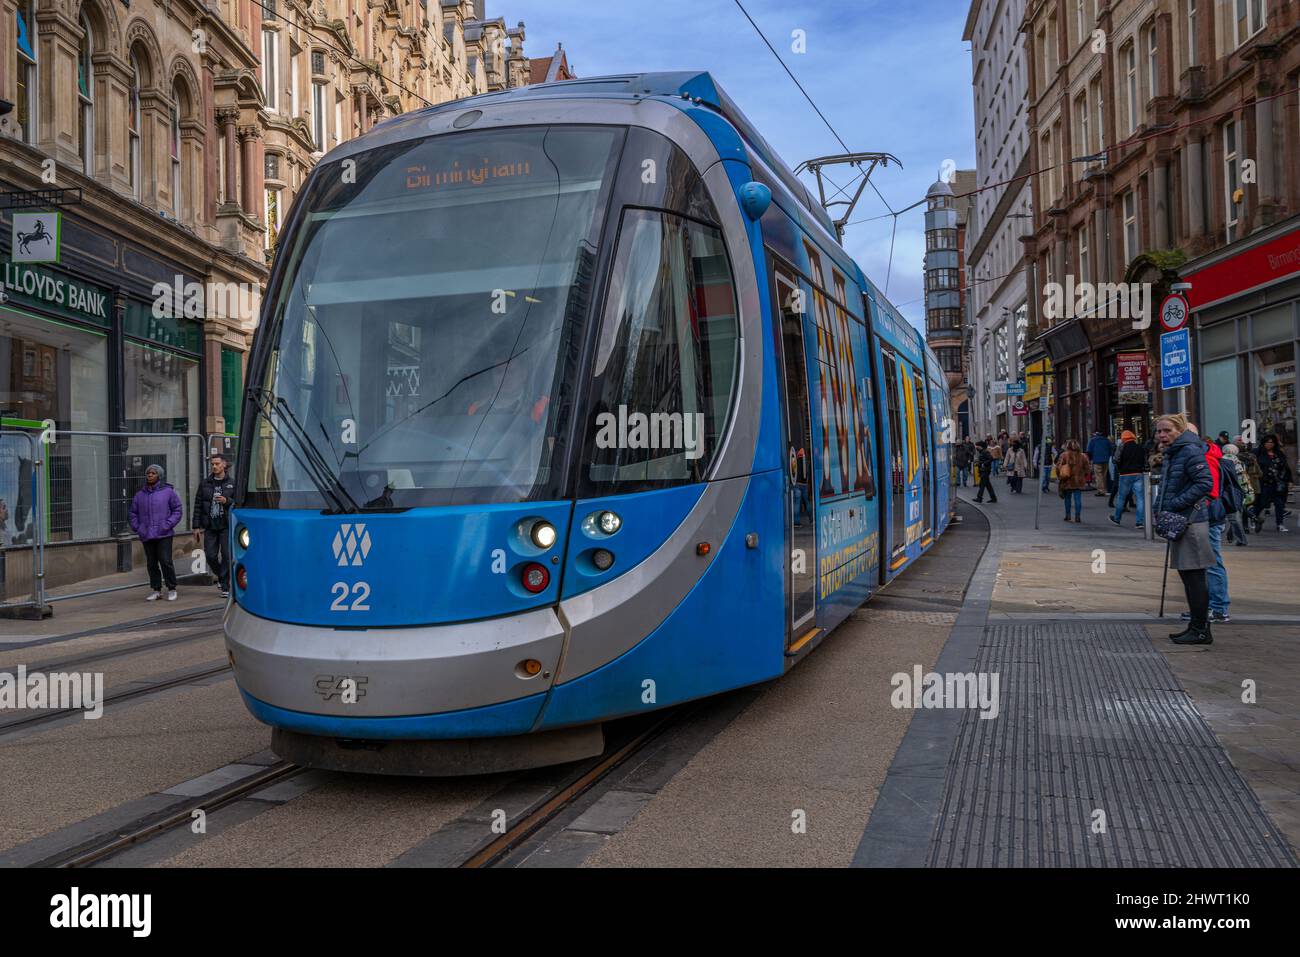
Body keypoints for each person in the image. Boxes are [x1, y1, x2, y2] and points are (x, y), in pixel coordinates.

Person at [1154, 414, 1215, 644]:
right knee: (1188, 576)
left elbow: (1205, 483)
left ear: (1179, 430)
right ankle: (1196, 626)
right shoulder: (1174, 452)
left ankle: (1200, 629)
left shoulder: (1189, 451)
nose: (1162, 435)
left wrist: (1175, 504)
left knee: (1195, 577)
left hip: (1191, 521)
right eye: (1159, 431)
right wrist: (1159, 507)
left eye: (1167, 430)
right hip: (1180, 520)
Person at [129, 464, 183, 601]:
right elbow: (133, 513)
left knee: (165, 561)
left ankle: (172, 588)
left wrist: (168, 524)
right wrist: (138, 528)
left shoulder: (168, 492)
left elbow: (177, 510)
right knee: (151, 563)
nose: (150, 475)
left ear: (159, 475)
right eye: (148, 473)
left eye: (153, 473)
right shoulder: (139, 495)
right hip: (147, 534)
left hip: (164, 533)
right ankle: (156, 589)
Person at [194, 452, 237, 597]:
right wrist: (196, 526)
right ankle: (222, 576)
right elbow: (198, 505)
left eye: (217, 464)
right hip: (210, 525)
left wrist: (227, 501)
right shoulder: (205, 483)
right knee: (210, 556)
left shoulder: (233, 483)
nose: (214, 466)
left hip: (225, 525)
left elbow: (239, 503)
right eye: (212, 464)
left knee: (226, 555)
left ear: (224, 465)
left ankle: (225, 586)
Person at [1198, 431, 1231, 623]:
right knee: (1206, 563)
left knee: (1212, 562)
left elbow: (1209, 492)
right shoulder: (1209, 456)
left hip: (1209, 516)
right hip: (1208, 515)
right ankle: (1207, 607)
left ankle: (1218, 608)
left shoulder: (1207, 459)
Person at [1251, 434, 1293, 533]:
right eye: (1267, 442)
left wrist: (1290, 481)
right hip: (1263, 483)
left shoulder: (1279, 453)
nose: (1269, 444)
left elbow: (1286, 468)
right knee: (1261, 503)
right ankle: (1254, 519)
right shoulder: (1257, 453)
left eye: (1272, 442)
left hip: (1278, 484)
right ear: (1264, 443)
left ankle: (1280, 524)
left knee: (1279, 504)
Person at [1107, 430, 1147, 528]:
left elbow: (1115, 460)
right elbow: (1144, 460)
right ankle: (1139, 522)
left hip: (1125, 474)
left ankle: (1117, 518)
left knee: (1121, 497)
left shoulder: (1122, 446)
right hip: (1138, 473)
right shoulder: (1139, 447)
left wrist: (1120, 467)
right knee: (1140, 498)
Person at [1220, 444, 1253, 546]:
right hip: (1236, 491)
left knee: (1221, 516)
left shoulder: (1220, 461)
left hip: (1223, 490)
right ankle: (1240, 539)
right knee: (1235, 517)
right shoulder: (1240, 463)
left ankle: (1231, 537)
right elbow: (1244, 479)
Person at [1056, 439, 1089, 522]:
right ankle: (1077, 516)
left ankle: (1068, 515)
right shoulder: (1083, 456)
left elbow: (1058, 467)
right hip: (1079, 481)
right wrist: (1083, 476)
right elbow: (1087, 469)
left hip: (1067, 480)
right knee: (1078, 499)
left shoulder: (1064, 455)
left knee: (1067, 498)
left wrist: (1059, 476)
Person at [1086, 430, 1114, 495]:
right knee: (1104, 475)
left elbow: (1089, 451)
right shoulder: (1106, 440)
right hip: (1106, 460)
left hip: (1096, 460)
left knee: (1099, 476)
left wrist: (1090, 459)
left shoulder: (1092, 440)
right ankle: (1104, 489)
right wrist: (1108, 456)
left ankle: (1101, 490)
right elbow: (1111, 449)